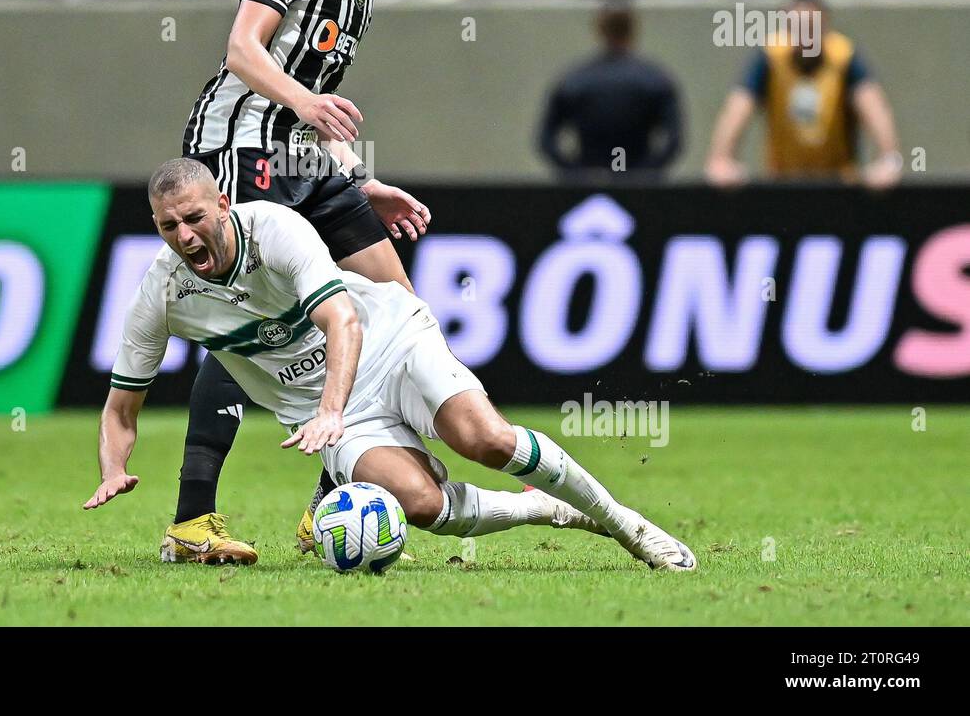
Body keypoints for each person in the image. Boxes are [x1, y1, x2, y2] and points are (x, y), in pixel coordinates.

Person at [83, 158, 697, 573]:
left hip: (391, 344)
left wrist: (328, 413)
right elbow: (121, 408)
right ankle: (546, 508)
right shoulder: (161, 295)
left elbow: (343, 320)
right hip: (339, 416)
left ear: (222, 203)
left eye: (194, 218)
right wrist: (114, 466)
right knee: (424, 507)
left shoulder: (275, 229)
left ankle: (626, 525)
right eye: (169, 226)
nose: (186, 236)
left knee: (484, 440)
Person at [167, 0, 433, 565]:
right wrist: (309, 109)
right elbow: (242, 50)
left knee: (395, 307)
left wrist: (359, 178)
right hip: (236, 147)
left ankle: (326, 506)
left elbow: (316, 94)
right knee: (246, 320)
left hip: (301, 157)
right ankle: (192, 520)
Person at [705, 0, 902, 188]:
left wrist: (888, 158)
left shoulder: (844, 57)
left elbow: (874, 105)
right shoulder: (770, 58)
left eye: (811, 27)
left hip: (839, 185)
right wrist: (721, 158)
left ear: (825, 25)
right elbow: (738, 107)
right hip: (783, 185)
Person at [538, 0, 683, 178]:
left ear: (598, 30)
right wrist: (646, 174)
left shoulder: (574, 80)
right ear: (633, 30)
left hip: (587, 185)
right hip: (641, 187)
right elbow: (675, 141)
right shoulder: (655, 80)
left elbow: (545, 140)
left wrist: (575, 174)